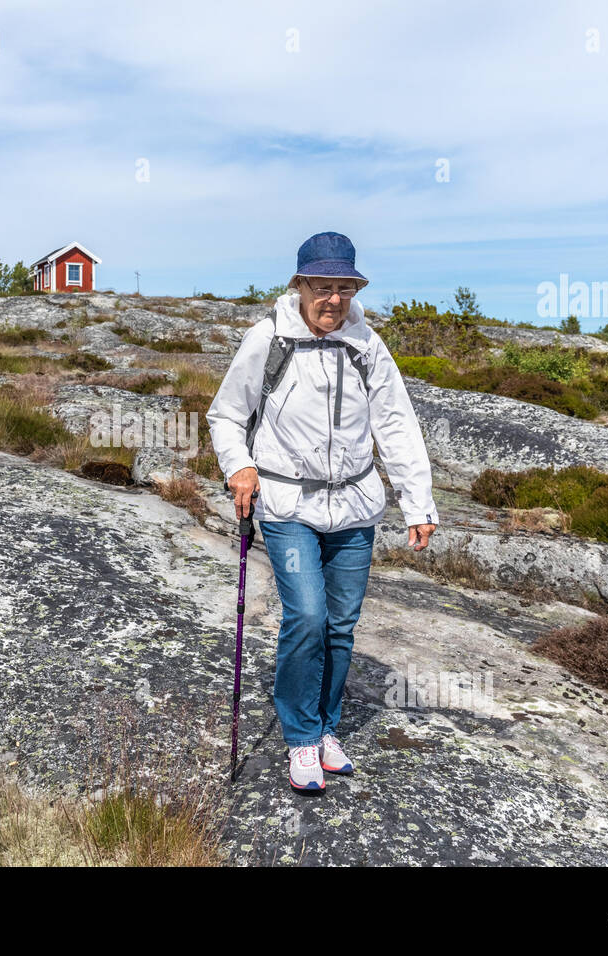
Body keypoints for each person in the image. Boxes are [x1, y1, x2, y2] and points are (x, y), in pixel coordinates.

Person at [206, 231, 439, 791]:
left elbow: (396, 424)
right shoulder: (268, 337)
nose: (333, 299)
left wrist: (418, 503)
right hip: (288, 503)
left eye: (344, 288)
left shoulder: (367, 345)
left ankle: (327, 726)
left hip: (355, 506)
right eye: (322, 286)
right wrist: (240, 467)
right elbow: (226, 415)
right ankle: (302, 736)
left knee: (339, 625)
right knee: (308, 615)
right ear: (300, 285)